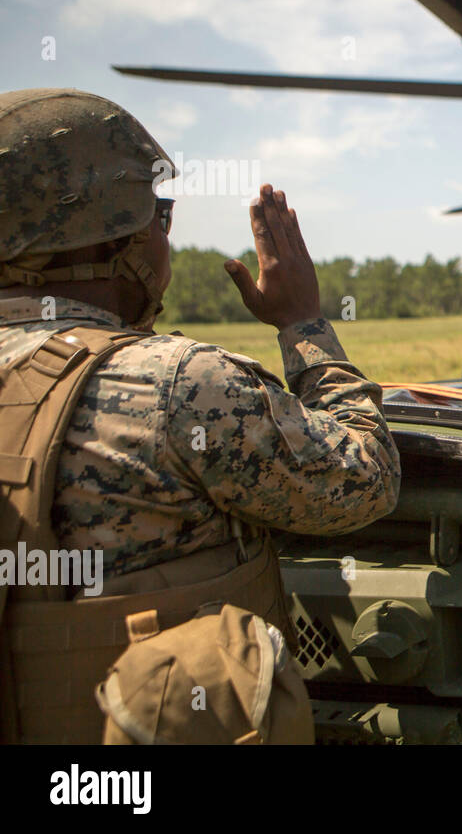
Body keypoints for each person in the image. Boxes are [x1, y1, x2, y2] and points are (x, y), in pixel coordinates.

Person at [0, 88, 401, 743]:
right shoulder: (178, 384)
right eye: (158, 217)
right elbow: (365, 478)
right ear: (115, 238)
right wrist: (303, 323)